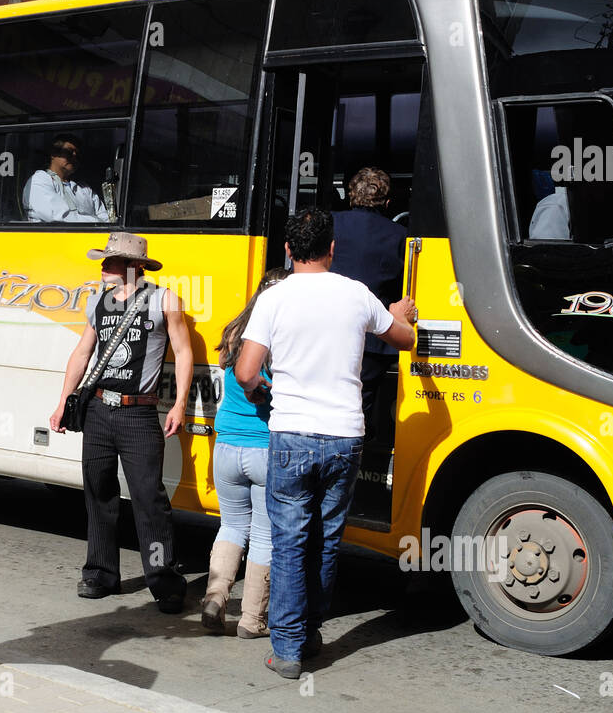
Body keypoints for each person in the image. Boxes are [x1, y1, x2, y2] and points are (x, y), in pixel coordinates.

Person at [235, 209, 416, 679]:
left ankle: (289, 650)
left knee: (290, 541)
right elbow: (403, 338)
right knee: (326, 538)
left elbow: (246, 370)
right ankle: (311, 634)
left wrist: (264, 392)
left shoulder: (274, 298)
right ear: (332, 249)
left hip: (292, 432)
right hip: (345, 436)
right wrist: (398, 315)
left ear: (288, 250)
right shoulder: (356, 293)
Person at [49, 232, 192, 612]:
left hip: (138, 413)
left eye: (110, 261)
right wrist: (64, 399)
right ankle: (100, 573)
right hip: (97, 410)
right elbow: (82, 352)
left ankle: (163, 580)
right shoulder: (97, 302)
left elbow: (183, 350)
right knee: (98, 492)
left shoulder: (164, 300)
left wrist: (178, 404)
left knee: (149, 499)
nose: (102, 266)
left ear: (134, 266)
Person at [203, 267, 289, 637]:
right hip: (264, 449)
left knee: (231, 524)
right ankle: (252, 620)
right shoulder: (281, 335)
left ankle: (215, 598)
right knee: (265, 535)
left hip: (226, 446)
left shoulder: (236, 330)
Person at [331, 167, 408, 450]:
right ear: (388, 203)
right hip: (375, 340)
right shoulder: (401, 236)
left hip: (327, 330)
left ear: (350, 197)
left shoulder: (329, 223)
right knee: (359, 405)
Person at [23, 134, 109, 223]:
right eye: (69, 152)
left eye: (77, 155)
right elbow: (61, 217)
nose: (74, 156)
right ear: (53, 154)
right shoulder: (40, 179)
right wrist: (97, 223)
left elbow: (105, 217)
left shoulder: (84, 188)